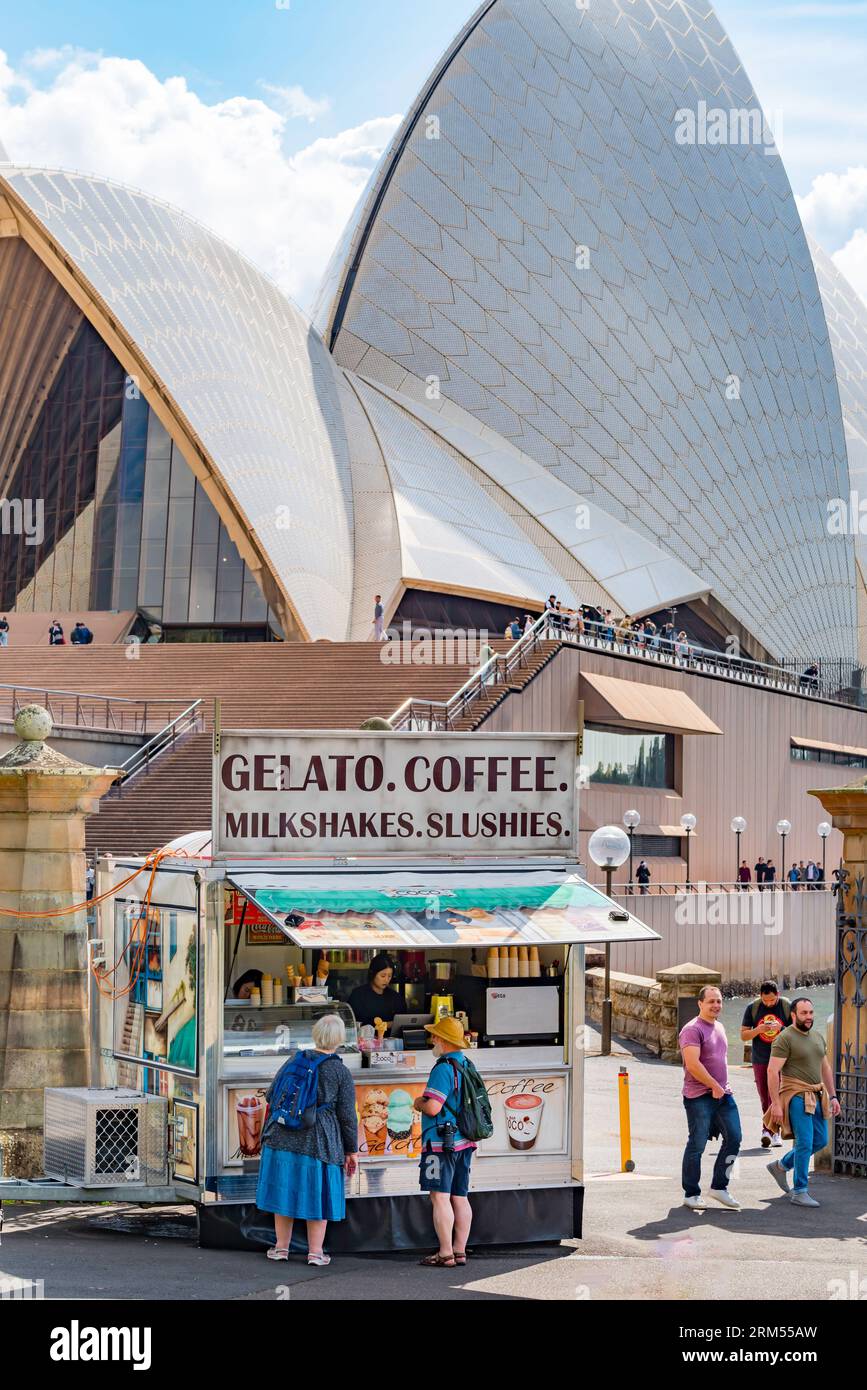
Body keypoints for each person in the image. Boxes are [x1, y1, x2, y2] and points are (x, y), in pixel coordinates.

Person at [256, 1013, 358, 1264]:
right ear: (339, 1039)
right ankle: (315, 1252)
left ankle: (281, 1248)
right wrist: (351, 1150)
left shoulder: (294, 1060)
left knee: (283, 1190)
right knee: (317, 1194)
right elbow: (347, 1116)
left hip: (281, 1135)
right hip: (318, 1139)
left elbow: (271, 1096)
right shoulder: (339, 1070)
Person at [765, 997, 841, 1207]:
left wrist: (833, 1096)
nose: (808, 1017)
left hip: (816, 1095)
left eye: (810, 1012)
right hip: (796, 1095)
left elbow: (824, 1068)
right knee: (805, 1142)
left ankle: (781, 1166)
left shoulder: (817, 1037)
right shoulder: (785, 1038)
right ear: (793, 1015)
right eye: (804, 1013)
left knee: (821, 1140)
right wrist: (777, 1104)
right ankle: (800, 1191)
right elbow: (772, 1071)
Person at [414, 1015, 476, 1267]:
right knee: (460, 1196)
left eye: (435, 1036)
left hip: (440, 1143)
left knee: (440, 1196)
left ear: (442, 1039)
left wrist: (419, 1102)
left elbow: (433, 1107)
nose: (432, 1040)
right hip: (464, 1140)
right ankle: (459, 1251)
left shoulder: (443, 1068)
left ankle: (445, 1253)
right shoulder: (467, 1064)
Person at [678, 985, 742, 1210]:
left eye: (719, 1001)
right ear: (700, 1004)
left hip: (723, 1094)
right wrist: (713, 1085)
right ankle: (691, 1193)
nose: (716, 1005)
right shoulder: (691, 1030)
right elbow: (693, 1064)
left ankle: (719, 1187)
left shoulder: (720, 1027)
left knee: (734, 1138)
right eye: (711, 1001)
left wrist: (721, 1087)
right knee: (697, 1144)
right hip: (699, 1096)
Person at [740, 981, 791, 1148]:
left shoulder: (786, 1006)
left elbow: (797, 1032)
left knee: (776, 1095)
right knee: (764, 1096)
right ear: (760, 996)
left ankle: (771, 1132)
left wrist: (782, 1028)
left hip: (781, 1058)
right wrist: (759, 1030)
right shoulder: (753, 1008)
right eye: (765, 1000)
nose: (768, 1004)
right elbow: (744, 1036)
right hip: (760, 1058)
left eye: (772, 1000)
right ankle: (771, 1131)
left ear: (777, 994)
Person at [348, 953, 402, 1027]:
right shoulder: (358, 995)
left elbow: (402, 1021)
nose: (386, 980)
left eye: (389, 976)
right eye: (383, 976)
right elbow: (353, 1024)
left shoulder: (395, 997)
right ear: (372, 973)